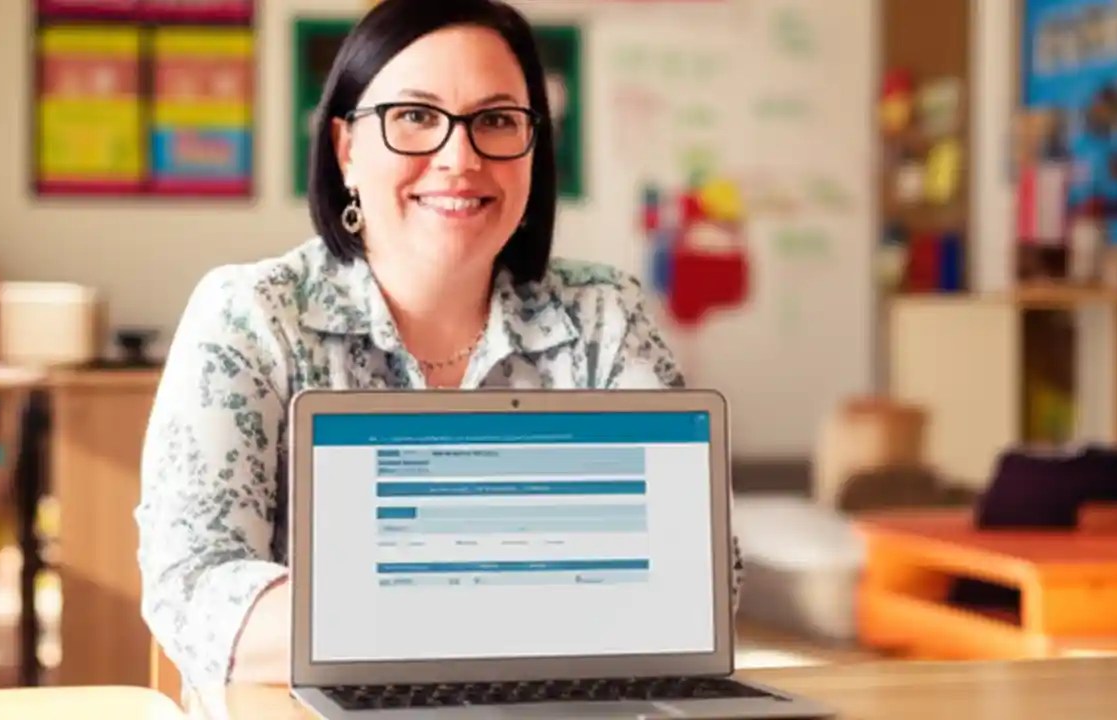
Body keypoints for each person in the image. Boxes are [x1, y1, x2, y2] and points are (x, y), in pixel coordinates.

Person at [136, 0, 743, 694]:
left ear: (532, 149)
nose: (460, 157)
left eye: (496, 121)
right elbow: (196, 591)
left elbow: (703, 581)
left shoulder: (606, 316)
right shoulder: (250, 315)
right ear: (346, 149)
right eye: (416, 117)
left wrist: (409, 606)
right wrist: (524, 609)